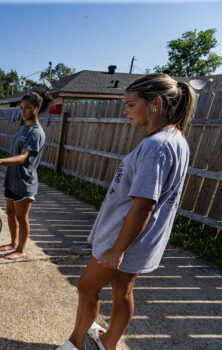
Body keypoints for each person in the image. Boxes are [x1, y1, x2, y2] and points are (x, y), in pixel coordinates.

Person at [57, 74, 196, 350]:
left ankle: (76, 343)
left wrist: (117, 250)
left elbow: (145, 204)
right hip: (140, 239)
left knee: (86, 286)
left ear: (155, 103)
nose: (126, 111)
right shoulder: (175, 139)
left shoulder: (157, 146)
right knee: (123, 291)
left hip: (123, 238)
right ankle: (108, 343)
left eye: (131, 105)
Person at [0, 90, 51, 260]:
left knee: (21, 217)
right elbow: (15, 152)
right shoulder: (24, 128)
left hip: (24, 181)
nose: (23, 111)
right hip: (12, 179)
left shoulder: (36, 133)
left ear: (37, 108)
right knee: (9, 212)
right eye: (22, 108)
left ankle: (21, 250)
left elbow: (23, 157)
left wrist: (1, 162)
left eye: (27, 107)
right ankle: (13, 242)